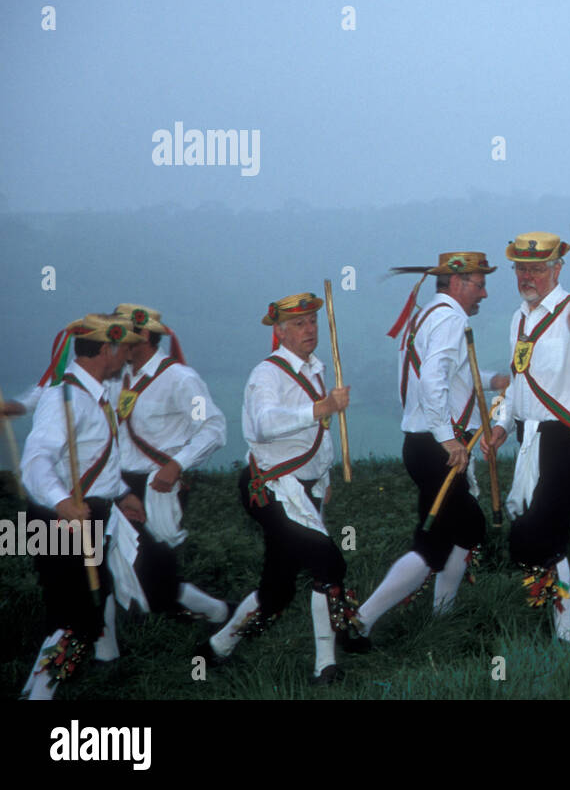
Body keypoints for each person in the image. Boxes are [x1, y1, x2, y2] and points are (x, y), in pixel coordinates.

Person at [202, 292, 361, 684]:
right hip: (269, 489)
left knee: (278, 590)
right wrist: (321, 408)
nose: (309, 330)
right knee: (328, 562)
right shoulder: (266, 374)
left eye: (312, 322)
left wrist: (322, 480)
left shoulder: (316, 368)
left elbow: (317, 438)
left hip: (302, 492)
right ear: (280, 331)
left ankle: (216, 648)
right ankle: (326, 667)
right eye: (299, 324)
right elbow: (263, 424)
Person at [482, 232, 570, 642]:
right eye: (521, 268)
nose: (527, 275)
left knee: (538, 532)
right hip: (531, 437)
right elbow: (519, 381)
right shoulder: (518, 318)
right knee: (533, 536)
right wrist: (501, 425)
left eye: (537, 268)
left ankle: (567, 635)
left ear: (557, 268)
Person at [355, 253, 496, 639]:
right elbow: (434, 378)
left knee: (454, 533)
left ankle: (442, 619)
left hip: (419, 443)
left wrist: (494, 379)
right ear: (457, 283)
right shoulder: (452, 318)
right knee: (453, 535)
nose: (484, 293)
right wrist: (449, 438)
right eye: (479, 284)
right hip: (437, 447)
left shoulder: (425, 315)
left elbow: (448, 374)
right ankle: (361, 621)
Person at [18, 313, 146, 700]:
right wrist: (61, 502)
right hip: (60, 520)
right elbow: (35, 460)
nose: (127, 358)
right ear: (105, 348)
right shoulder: (64, 397)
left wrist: (122, 494)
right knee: (76, 619)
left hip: (85, 514)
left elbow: (98, 460)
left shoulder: (95, 396)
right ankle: (38, 695)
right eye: (124, 349)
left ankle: (85, 671)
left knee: (89, 599)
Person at [111, 303, 229, 624]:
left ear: (145, 335)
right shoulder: (117, 376)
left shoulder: (179, 379)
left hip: (158, 485)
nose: (114, 339)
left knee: (149, 563)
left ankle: (212, 610)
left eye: (122, 333)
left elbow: (214, 427)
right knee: (117, 559)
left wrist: (177, 464)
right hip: (118, 483)